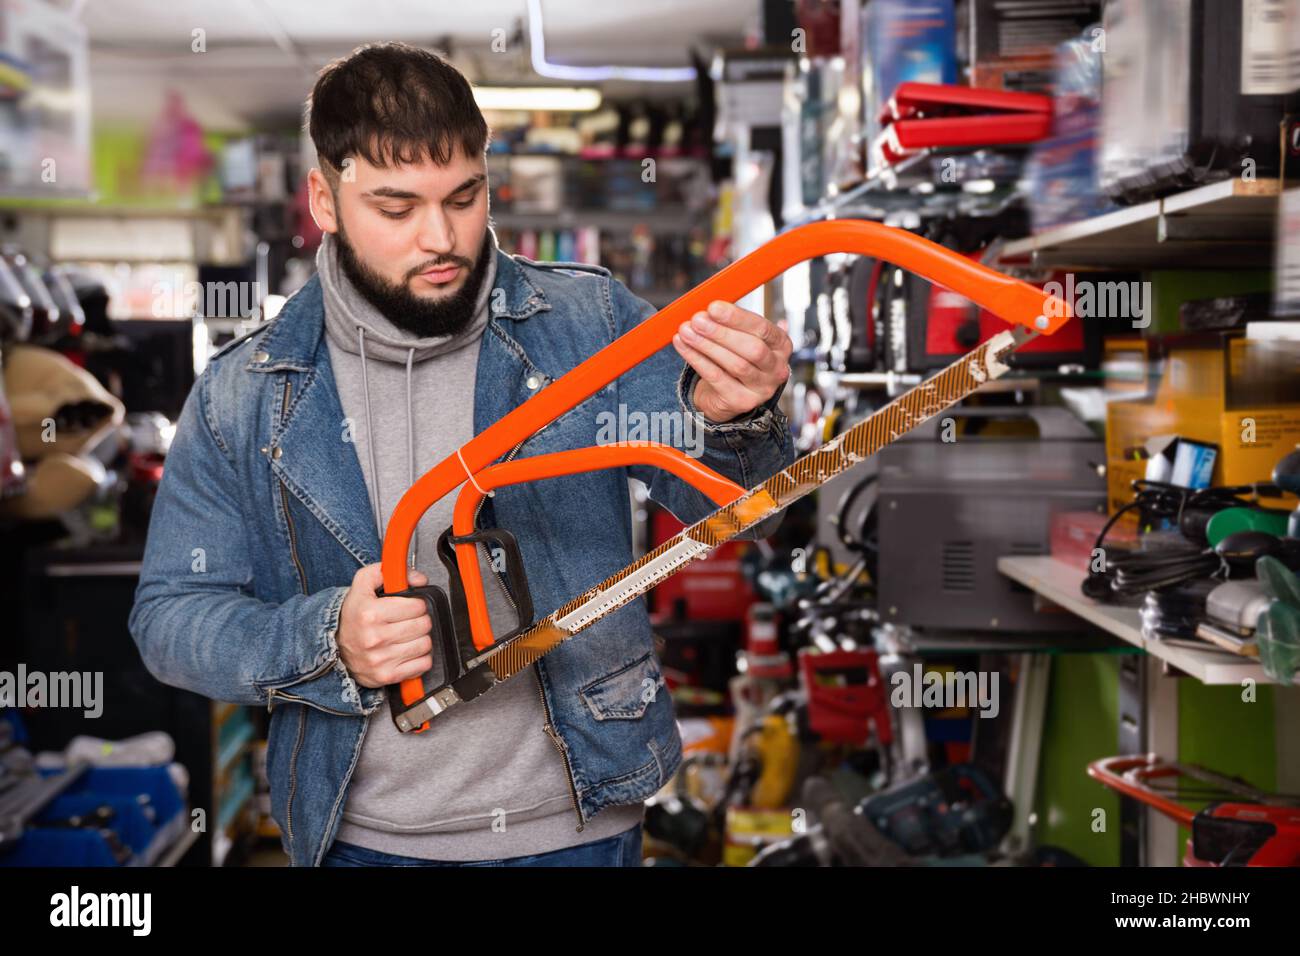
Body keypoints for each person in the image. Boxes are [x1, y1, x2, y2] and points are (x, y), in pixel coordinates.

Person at [129, 42, 794, 867]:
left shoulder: (587, 324)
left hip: (580, 834)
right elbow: (170, 619)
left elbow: (742, 510)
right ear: (324, 200)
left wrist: (737, 417)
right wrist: (327, 639)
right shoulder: (244, 391)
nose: (440, 237)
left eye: (464, 197)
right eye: (396, 207)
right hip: (361, 843)